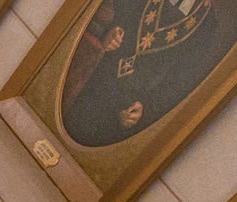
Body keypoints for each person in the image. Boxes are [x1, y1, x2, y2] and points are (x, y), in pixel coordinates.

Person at [61, 0, 236, 146]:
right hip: (92, 74)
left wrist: (145, 108)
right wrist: (108, 32)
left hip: (123, 106)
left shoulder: (206, 26)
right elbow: (104, 10)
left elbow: (178, 84)